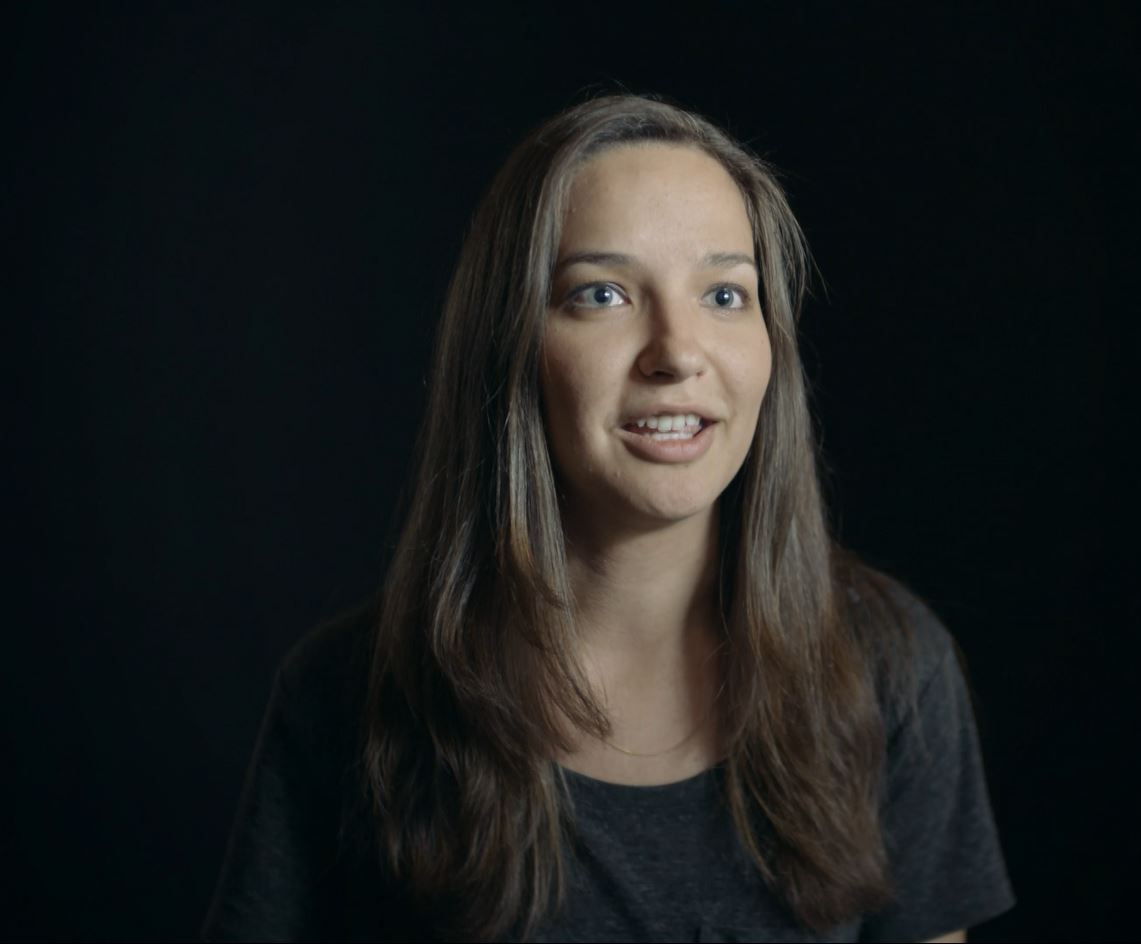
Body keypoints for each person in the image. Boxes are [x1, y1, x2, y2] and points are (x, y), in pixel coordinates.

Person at [201, 93, 1014, 943]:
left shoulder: (888, 666)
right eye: (602, 294)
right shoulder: (349, 698)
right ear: (511, 340)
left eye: (726, 295)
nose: (676, 352)